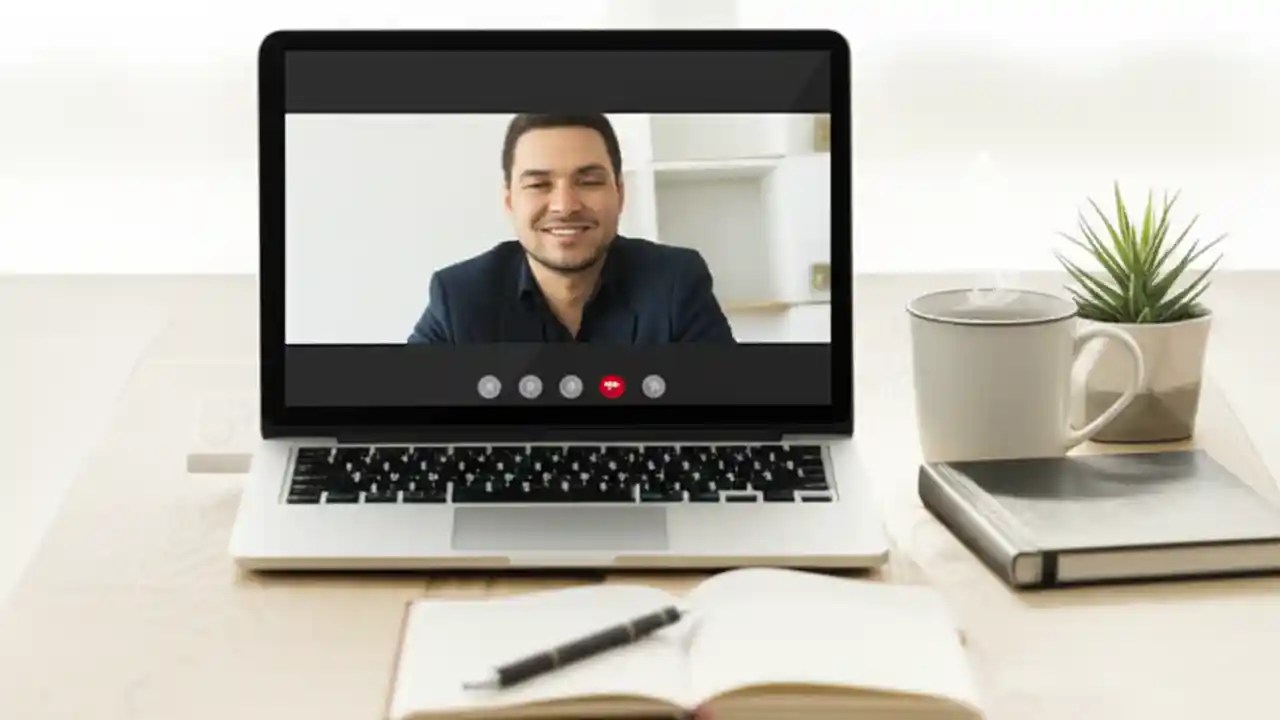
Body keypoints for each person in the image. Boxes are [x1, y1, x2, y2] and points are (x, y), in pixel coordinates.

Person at [408, 113, 736, 344]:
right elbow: (405, 417)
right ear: (510, 202)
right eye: (539, 184)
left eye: (589, 181)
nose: (565, 206)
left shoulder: (677, 281)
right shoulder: (458, 298)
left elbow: (728, 412)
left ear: (619, 194)